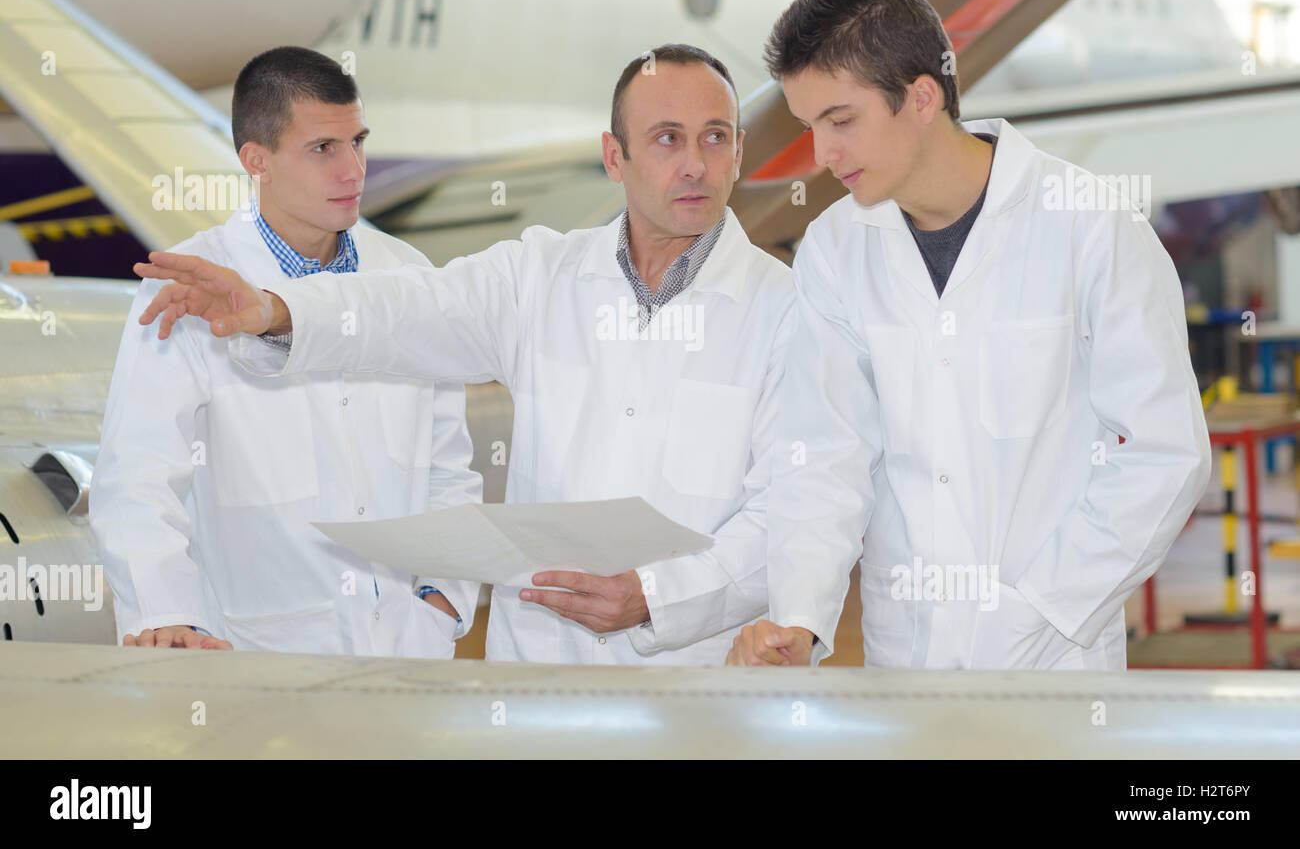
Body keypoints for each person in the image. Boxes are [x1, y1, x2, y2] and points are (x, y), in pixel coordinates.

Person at [130, 44, 795, 666]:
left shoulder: (789, 310)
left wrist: (657, 594)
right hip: (535, 677)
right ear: (614, 156)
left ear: (740, 151)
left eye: (715, 137)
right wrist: (277, 311)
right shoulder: (537, 274)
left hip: (694, 681)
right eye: (666, 138)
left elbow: (793, 513)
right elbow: (408, 310)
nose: (695, 165)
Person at [726, 0, 1211, 669]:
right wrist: (800, 615)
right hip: (907, 660)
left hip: (1054, 661)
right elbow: (825, 454)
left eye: (841, 120)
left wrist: (1037, 610)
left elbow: (1164, 454)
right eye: (810, 128)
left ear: (922, 97)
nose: (823, 155)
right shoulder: (835, 248)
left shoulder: (1090, 227)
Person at [91, 46, 482, 655]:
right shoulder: (192, 287)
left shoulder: (408, 275)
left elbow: (448, 466)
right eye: (324, 149)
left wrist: (442, 596)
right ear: (257, 161)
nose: (354, 171)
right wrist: (168, 614)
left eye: (358, 142)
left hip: (408, 651)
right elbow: (136, 474)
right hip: (255, 652)